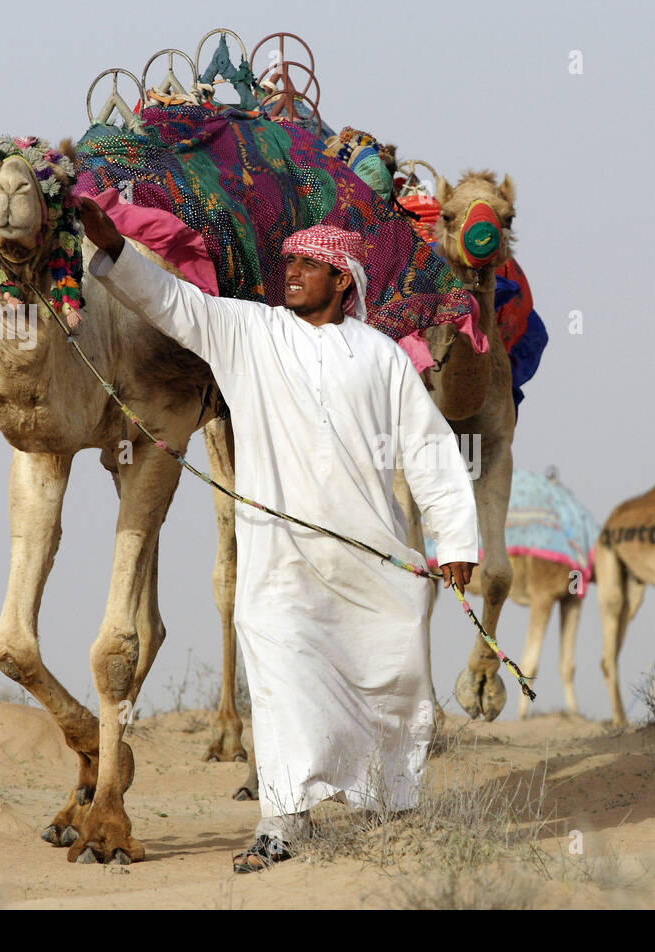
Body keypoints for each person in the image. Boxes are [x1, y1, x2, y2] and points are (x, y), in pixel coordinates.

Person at [77, 200, 480, 873]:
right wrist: (111, 247)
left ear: (342, 278)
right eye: (287, 261)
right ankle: (281, 819)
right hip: (280, 562)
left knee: (394, 668)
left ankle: (390, 803)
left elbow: (431, 450)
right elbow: (176, 303)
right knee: (282, 673)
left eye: (307, 264)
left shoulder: (379, 356)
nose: (290, 272)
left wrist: (457, 538)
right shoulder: (250, 333)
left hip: (370, 557)